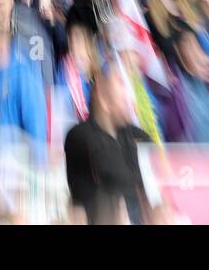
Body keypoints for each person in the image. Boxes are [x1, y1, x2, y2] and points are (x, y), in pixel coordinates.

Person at [64, 68, 152, 224]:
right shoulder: (78, 136)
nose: (130, 99)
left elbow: (158, 168)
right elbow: (114, 175)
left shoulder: (135, 135)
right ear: (104, 99)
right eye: (122, 88)